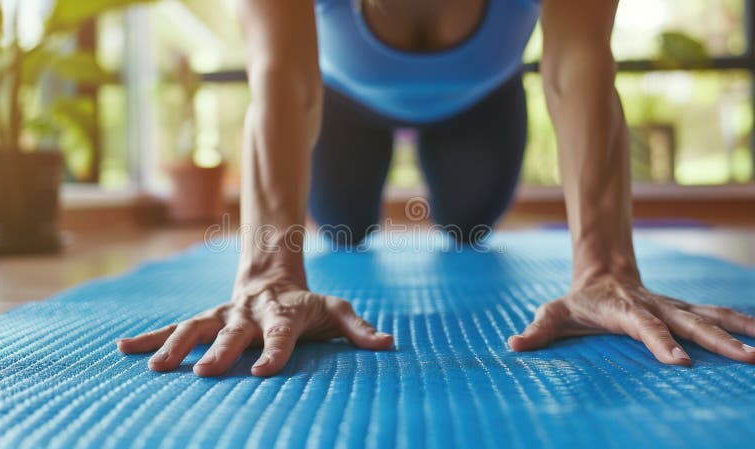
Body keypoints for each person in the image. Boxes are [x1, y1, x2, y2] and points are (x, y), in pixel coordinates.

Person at [117, 0, 755, 377]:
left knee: (467, 226)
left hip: (482, 101)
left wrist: (607, 269)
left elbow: (578, 62)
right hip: (344, 102)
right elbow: (282, 77)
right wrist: (267, 274)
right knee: (343, 227)